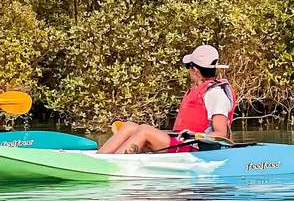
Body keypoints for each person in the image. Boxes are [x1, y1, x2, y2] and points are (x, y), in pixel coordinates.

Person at [98, 44, 234, 154]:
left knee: (145, 130)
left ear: (195, 70)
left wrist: (192, 136)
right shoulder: (201, 90)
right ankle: (100, 159)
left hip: (198, 149)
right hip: (184, 142)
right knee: (129, 127)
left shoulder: (215, 94)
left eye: (188, 68)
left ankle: (115, 164)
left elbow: (221, 134)